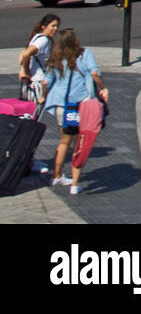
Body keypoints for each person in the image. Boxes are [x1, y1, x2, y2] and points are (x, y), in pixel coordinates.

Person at [46, 29, 108, 195]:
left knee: (64, 141)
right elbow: (94, 73)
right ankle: (74, 184)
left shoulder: (55, 58)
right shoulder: (85, 54)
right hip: (82, 104)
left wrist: (43, 97)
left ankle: (57, 175)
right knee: (80, 142)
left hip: (61, 105)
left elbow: (47, 81)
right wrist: (103, 88)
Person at [18, 13, 60, 104]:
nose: (55, 29)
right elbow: (26, 54)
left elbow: (22, 54)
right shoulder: (43, 40)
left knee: (33, 114)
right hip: (39, 82)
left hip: (34, 82)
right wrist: (26, 71)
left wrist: (22, 69)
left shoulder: (36, 37)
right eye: (53, 26)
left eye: (57, 26)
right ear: (44, 27)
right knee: (36, 113)